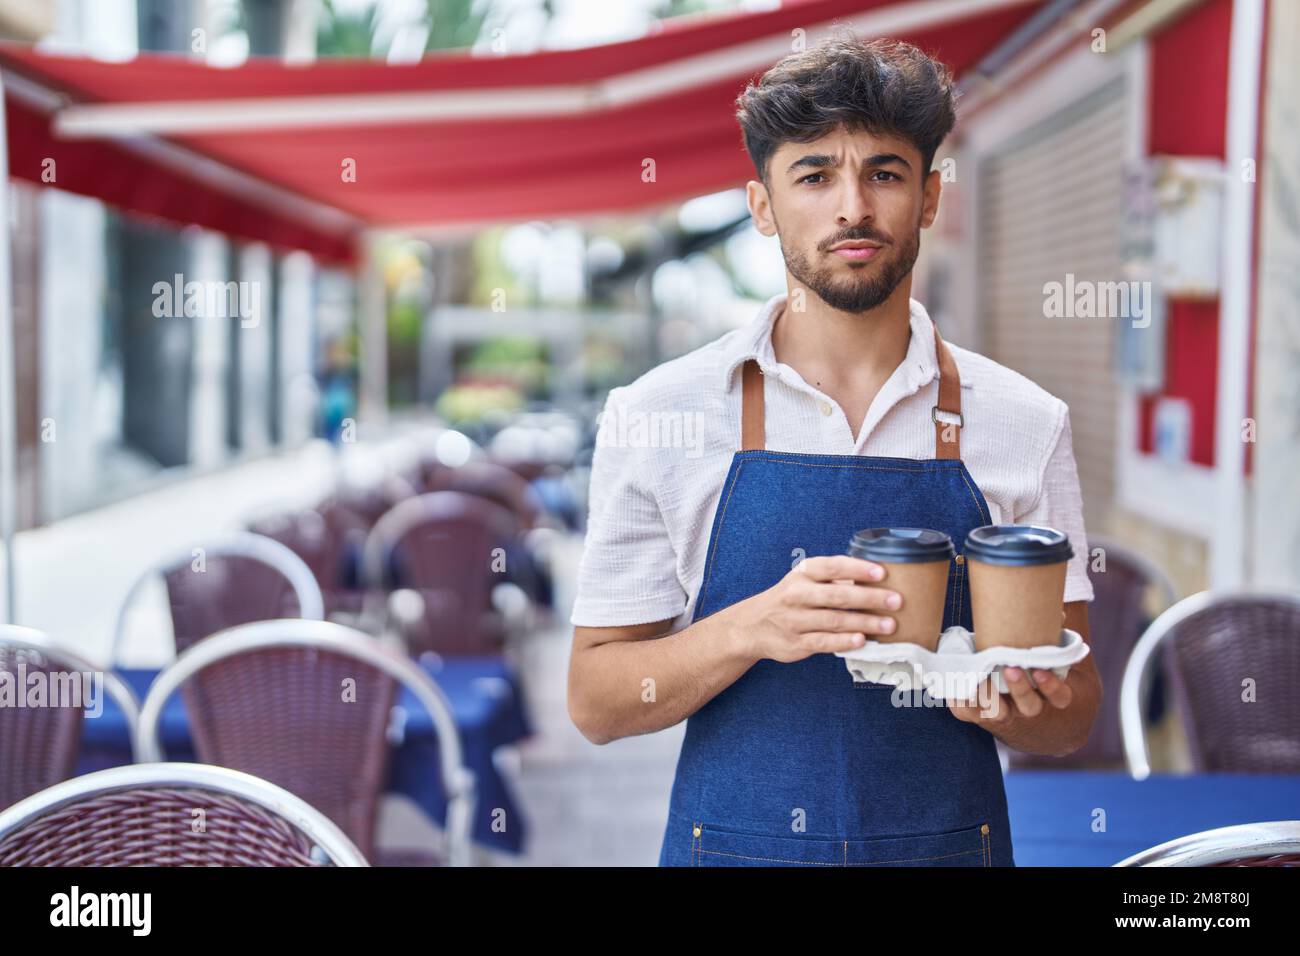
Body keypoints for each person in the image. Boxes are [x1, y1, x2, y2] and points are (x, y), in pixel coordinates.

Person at [566, 33, 1100, 867]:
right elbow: (598, 700)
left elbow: (1074, 717)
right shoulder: (658, 414)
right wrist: (751, 627)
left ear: (927, 198)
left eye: (885, 172)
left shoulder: (1025, 421)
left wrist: (999, 697)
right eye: (814, 175)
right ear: (763, 206)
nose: (853, 206)